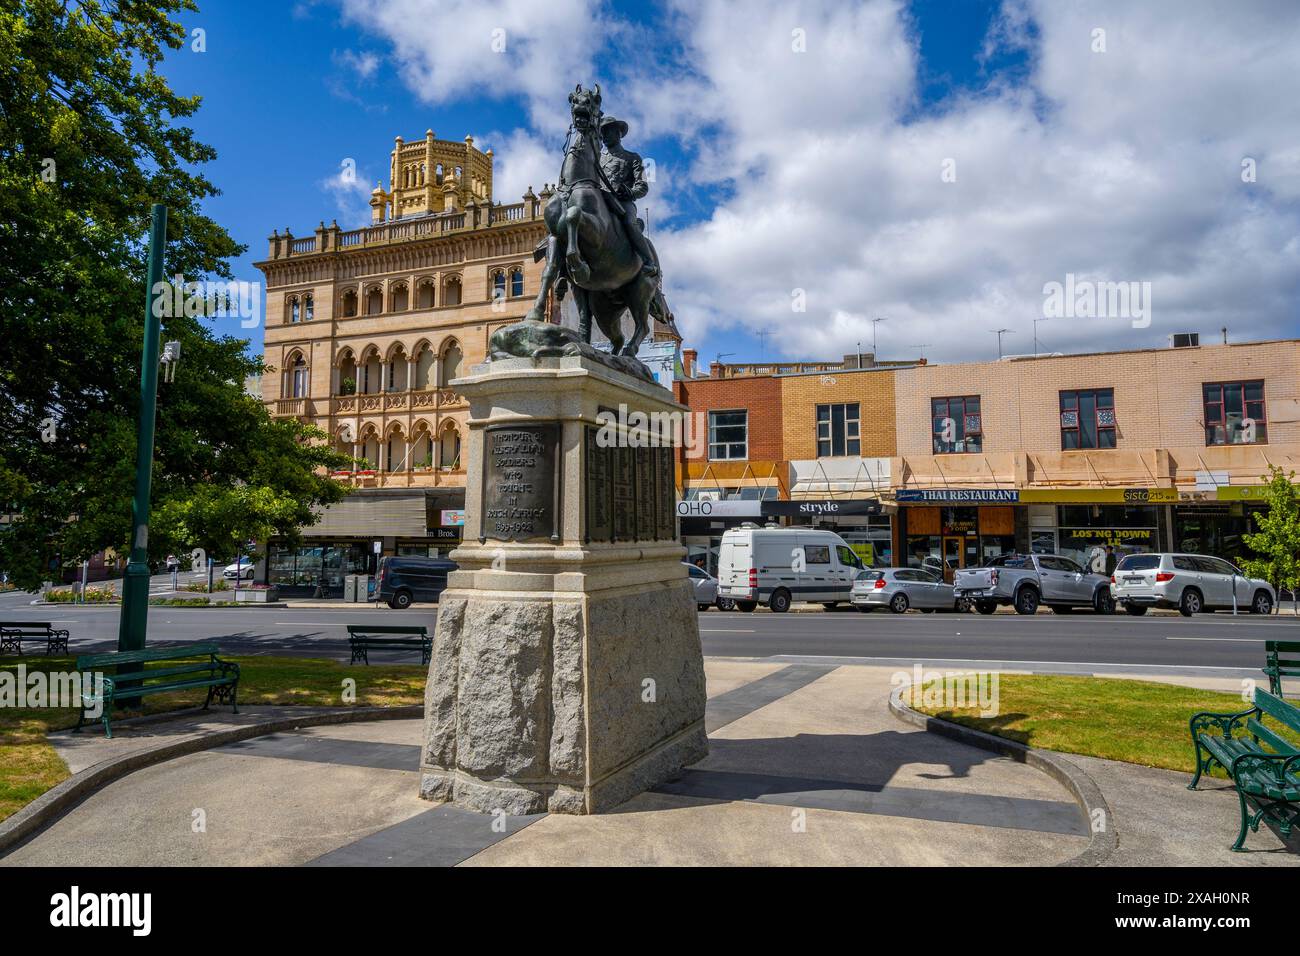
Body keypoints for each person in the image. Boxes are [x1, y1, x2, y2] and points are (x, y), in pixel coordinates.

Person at [597, 115, 658, 277]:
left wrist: (630, 192)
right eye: (602, 132)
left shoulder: (633, 158)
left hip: (622, 202)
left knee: (630, 223)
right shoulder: (597, 159)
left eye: (609, 131)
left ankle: (649, 261)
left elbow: (643, 186)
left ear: (618, 133)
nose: (605, 136)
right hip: (599, 201)